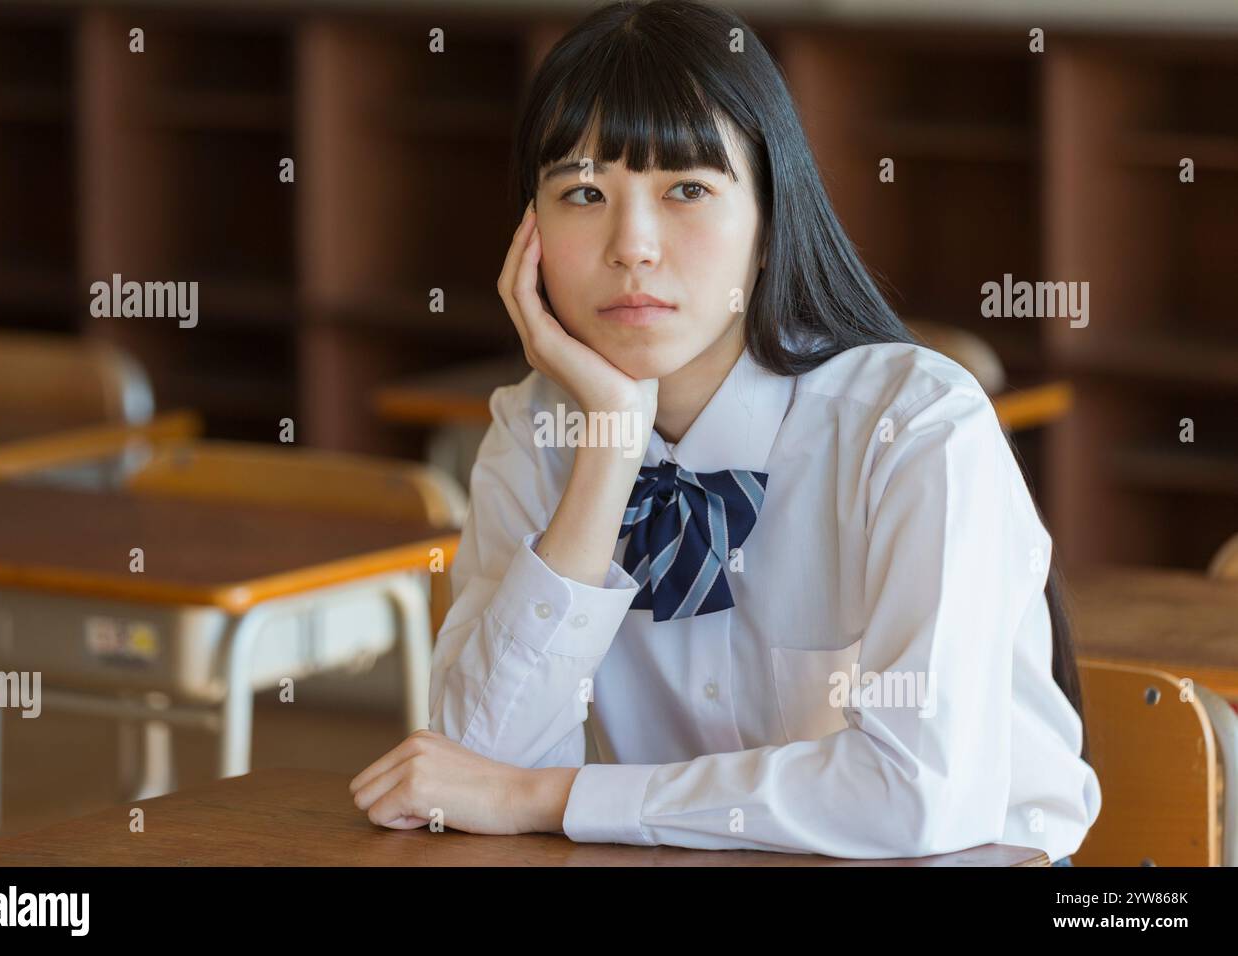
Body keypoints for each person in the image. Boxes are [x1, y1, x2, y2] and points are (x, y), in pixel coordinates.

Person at [349, 0, 1100, 863]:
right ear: (532, 236)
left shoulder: (917, 430)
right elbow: (471, 773)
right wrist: (606, 456)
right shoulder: (536, 434)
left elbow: (914, 798)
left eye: (688, 190)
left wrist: (553, 799)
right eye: (584, 193)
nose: (632, 245)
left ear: (771, 225)